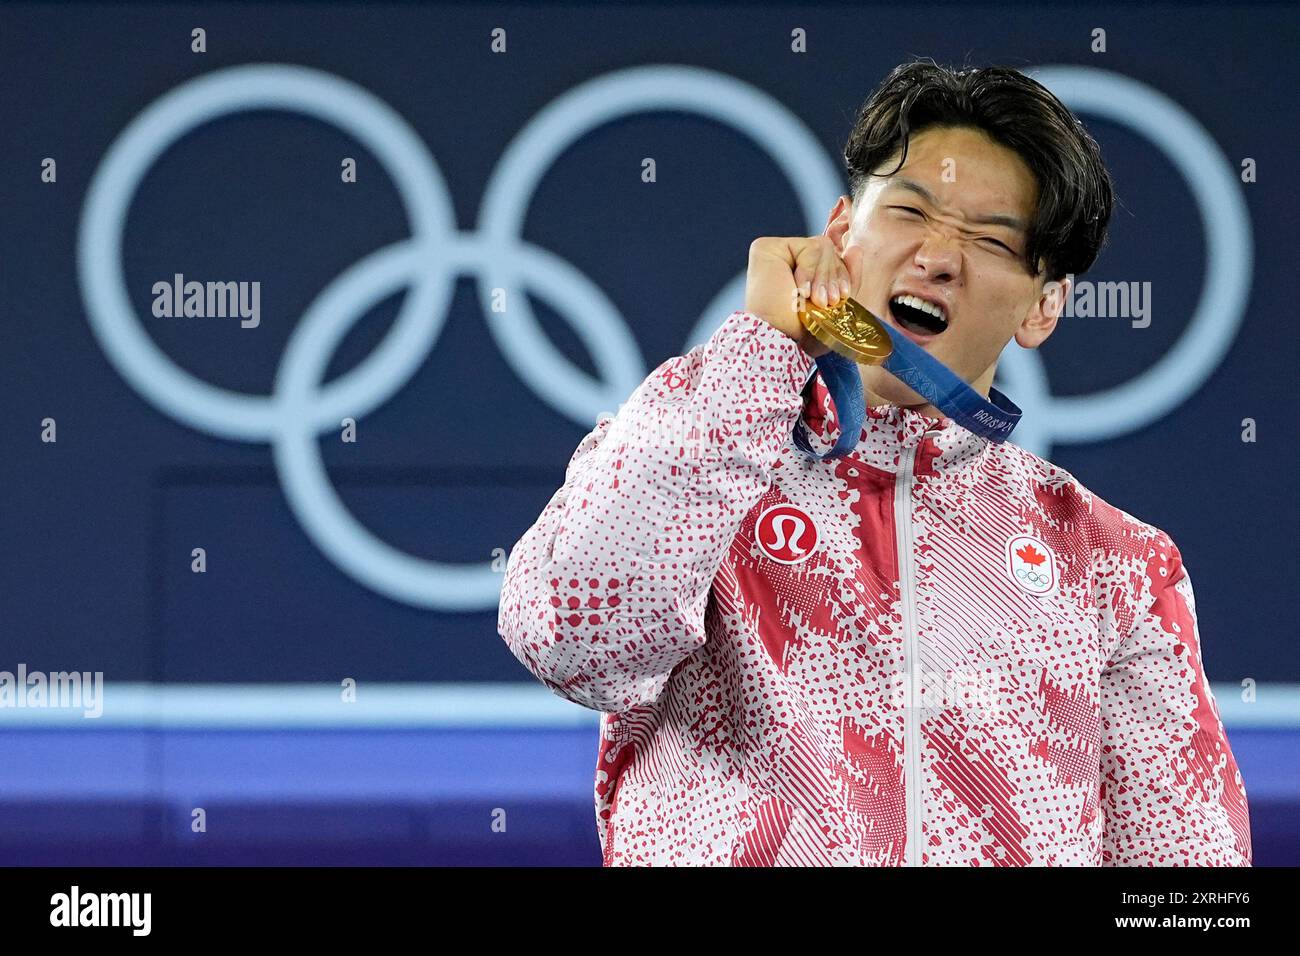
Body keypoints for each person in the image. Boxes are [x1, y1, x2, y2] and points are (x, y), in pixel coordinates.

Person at [497, 60, 1252, 867]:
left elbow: (1189, 885)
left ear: (1044, 306)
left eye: (992, 240)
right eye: (908, 211)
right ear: (838, 236)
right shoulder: (700, 457)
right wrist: (763, 352)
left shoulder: (1115, 564)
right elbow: (570, 638)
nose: (937, 256)